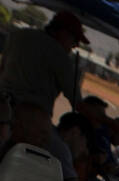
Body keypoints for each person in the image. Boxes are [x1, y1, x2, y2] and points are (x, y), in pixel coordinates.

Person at [0, 10, 86, 151]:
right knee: (61, 155)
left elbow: (2, 69)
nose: (75, 46)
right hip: (31, 122)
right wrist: (108, 123)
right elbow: (77, 103)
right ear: (63, 33)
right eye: (74, 40)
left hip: (3, 108)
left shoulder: (18, 35)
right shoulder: (59, 55)